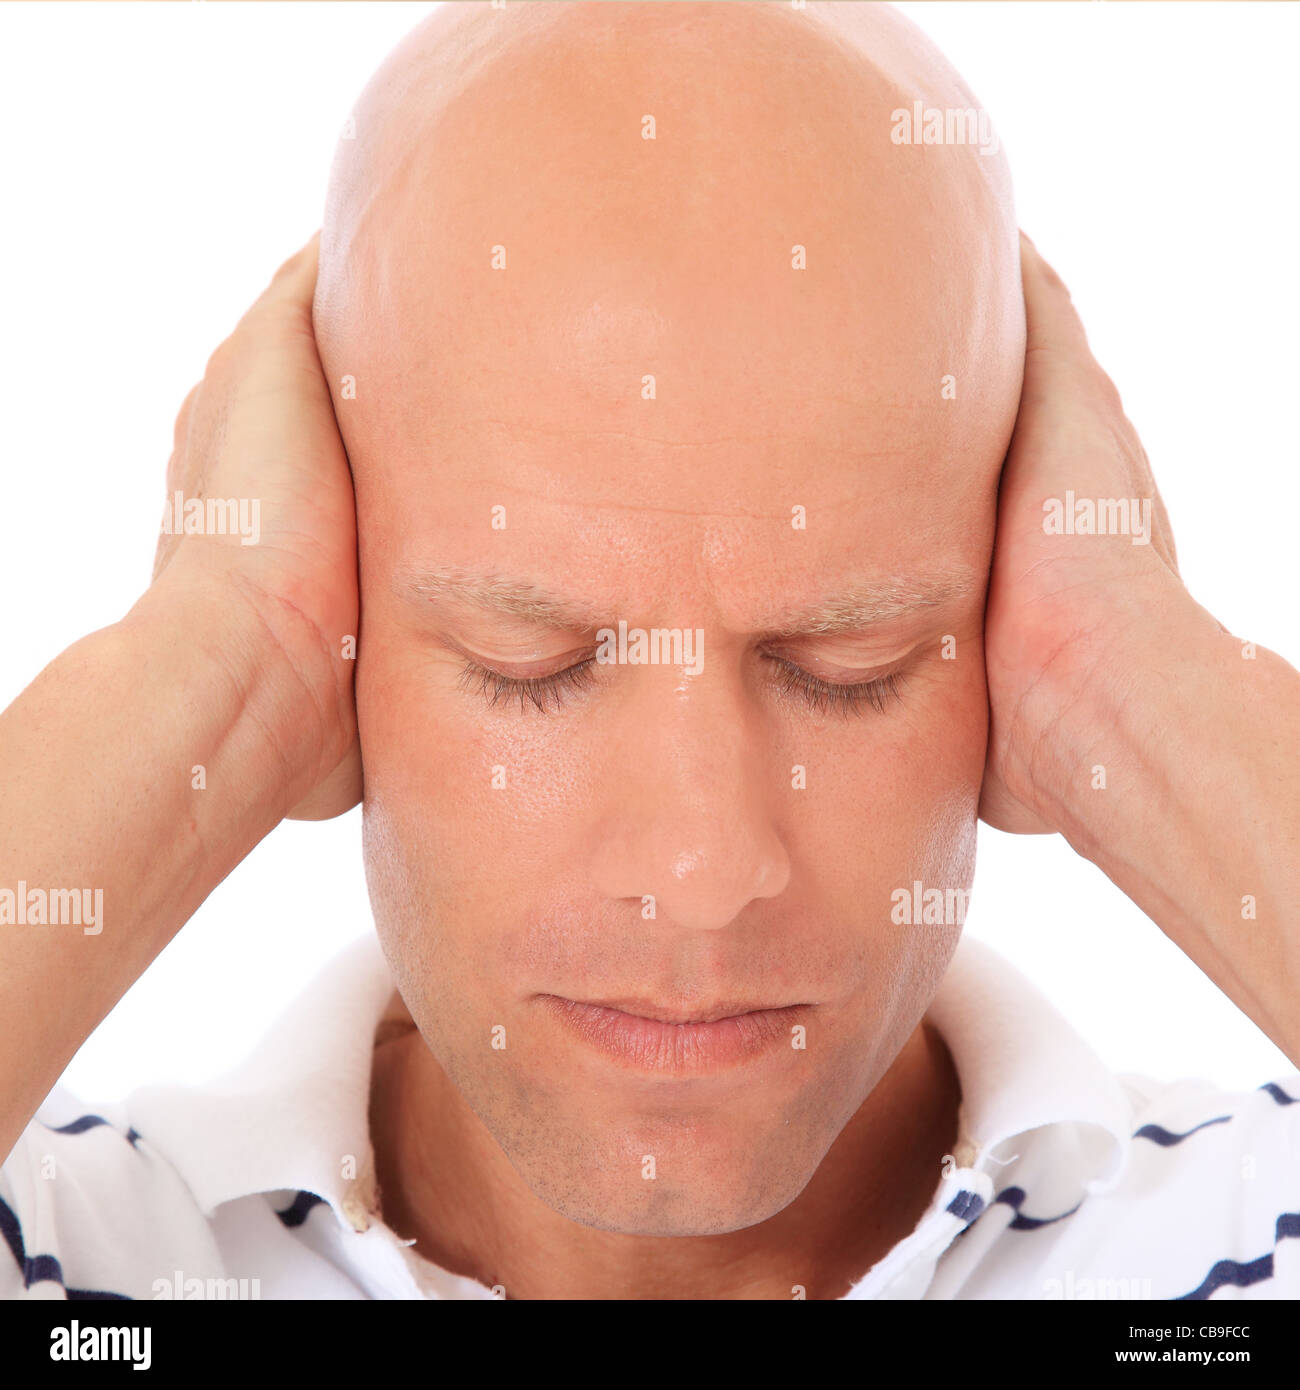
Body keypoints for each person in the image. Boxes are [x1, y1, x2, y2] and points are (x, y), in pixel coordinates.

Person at [1, 1, 1297, 1302]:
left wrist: (1123, 682)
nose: (700, 873)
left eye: (852, 663)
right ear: (344, 646)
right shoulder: (92, 1264)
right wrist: (223, 661)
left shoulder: (1230, 1251)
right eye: (533, 661)